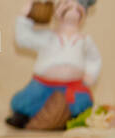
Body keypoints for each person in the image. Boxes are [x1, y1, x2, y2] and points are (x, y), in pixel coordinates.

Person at [7, 0, 101, 129]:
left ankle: (70, 119)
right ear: (55, 11)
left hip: (73, 87)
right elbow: (23, 39)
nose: (73, 9)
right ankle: (22, 117)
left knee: (81, 103)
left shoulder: (84, 40)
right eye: (67, 4)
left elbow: (94, 58)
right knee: (29, 99)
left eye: (78, 6)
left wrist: (91, 74)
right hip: (43, 85)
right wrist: (24, 17)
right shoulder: (48, 36)